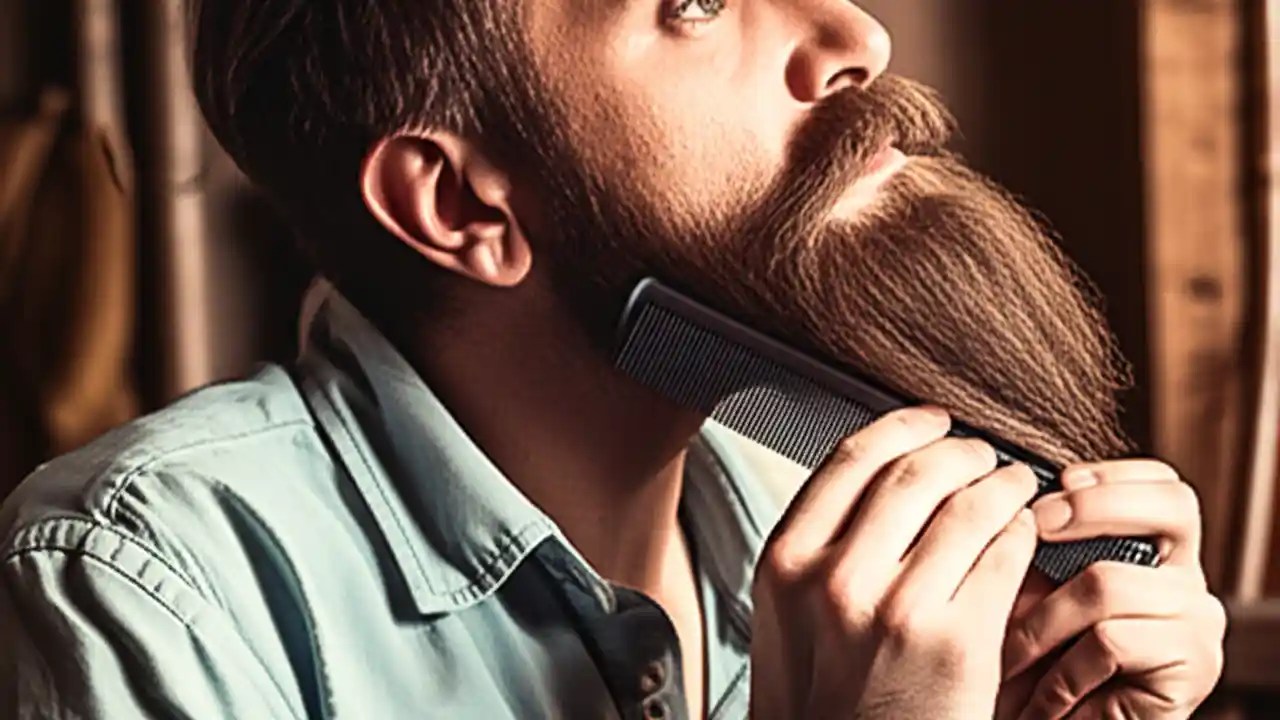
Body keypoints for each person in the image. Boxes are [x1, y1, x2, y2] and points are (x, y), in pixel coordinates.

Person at [0, 1, 1225, 718]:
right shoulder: (141, 584)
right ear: (460, 208)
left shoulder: (826, 505)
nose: (853, 34)